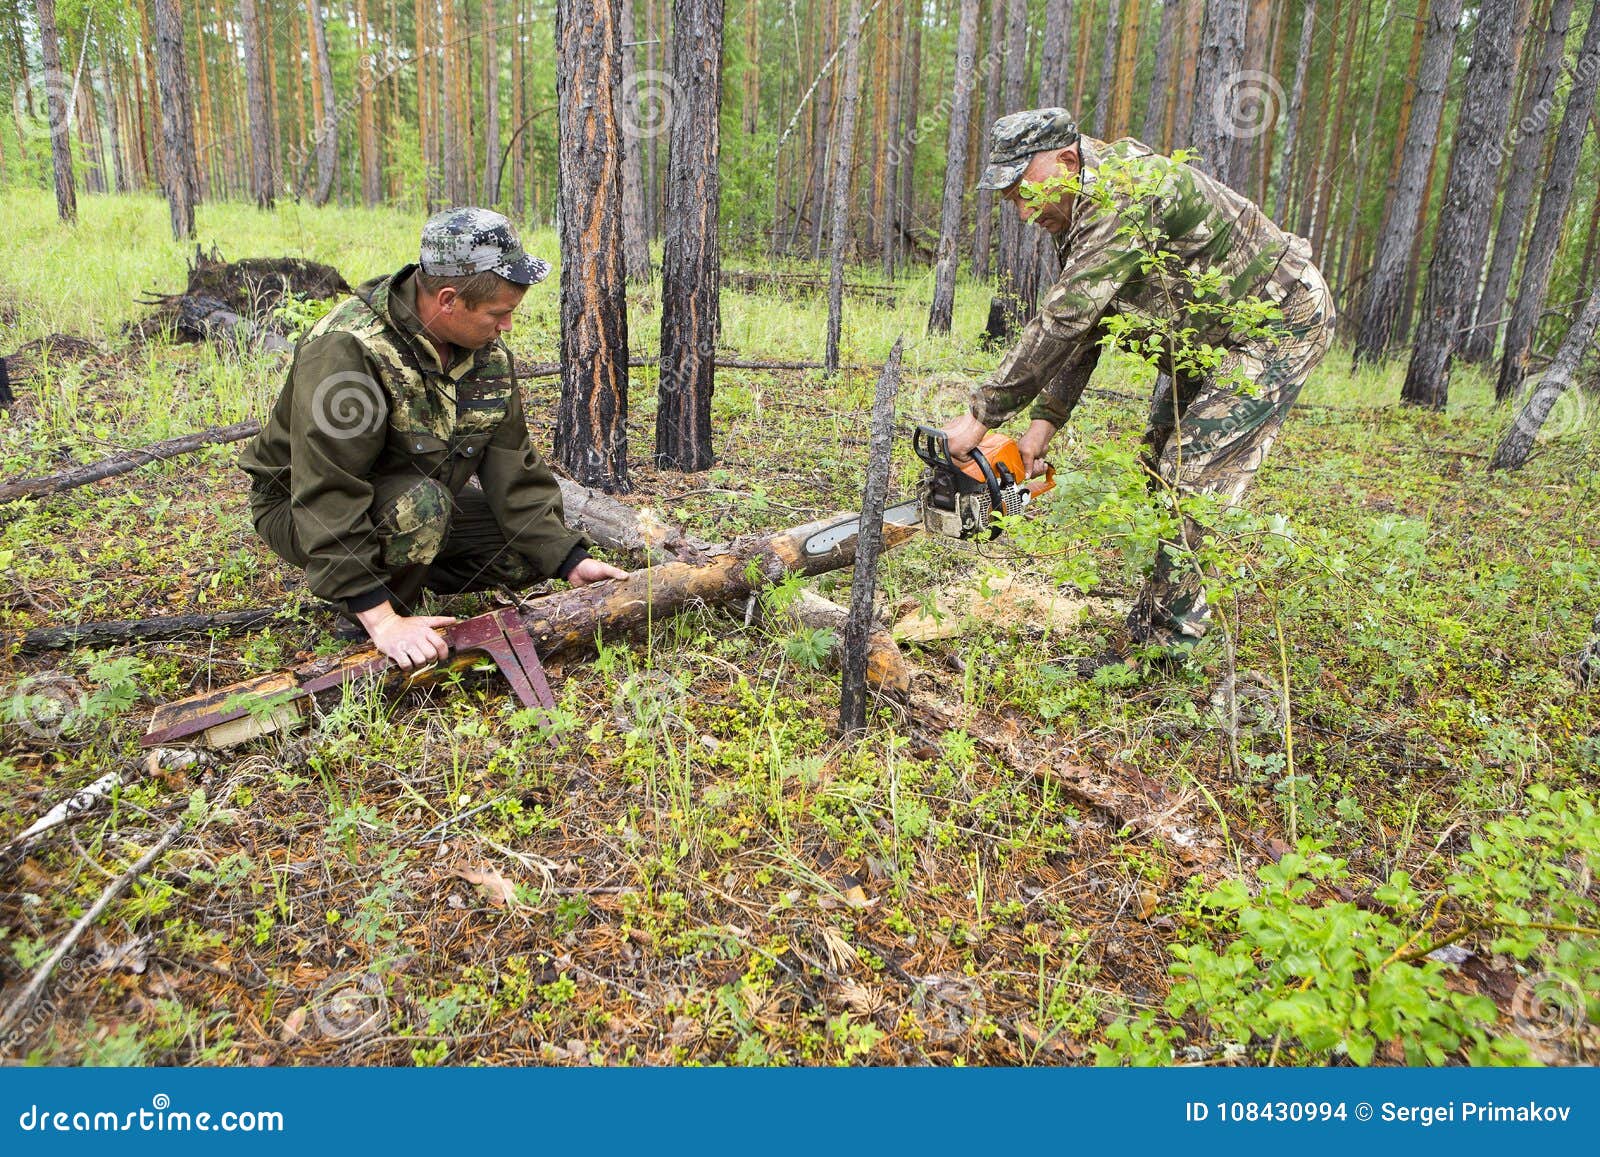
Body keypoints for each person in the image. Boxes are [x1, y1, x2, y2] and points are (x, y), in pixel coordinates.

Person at [942, 109, 1334, 670]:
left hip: (1276, 320)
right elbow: (1090, 325)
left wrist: (981, 415)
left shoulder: (1124, 195)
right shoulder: (1079, 207)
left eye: (1025, 193)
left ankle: (1165, 658)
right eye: (1012, 202)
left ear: (1067, 161)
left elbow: (1066, 319)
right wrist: (1039, 428)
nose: (1026, 214)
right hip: (1202, 337)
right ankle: (1151, 622)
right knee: (1157, 466)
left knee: (1191, 475)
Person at [241, 208, 626, 670]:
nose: (506, 327)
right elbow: (327, 490)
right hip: (298, 507)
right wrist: (382, 620)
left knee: (525, 550)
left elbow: (513, 466)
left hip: (411, 493)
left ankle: (407, 569)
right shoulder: (348, 352)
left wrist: (568, 560)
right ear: (447, 300)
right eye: (498, 314)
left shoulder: (484, 355)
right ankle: (365, 610)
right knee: (423, 507)